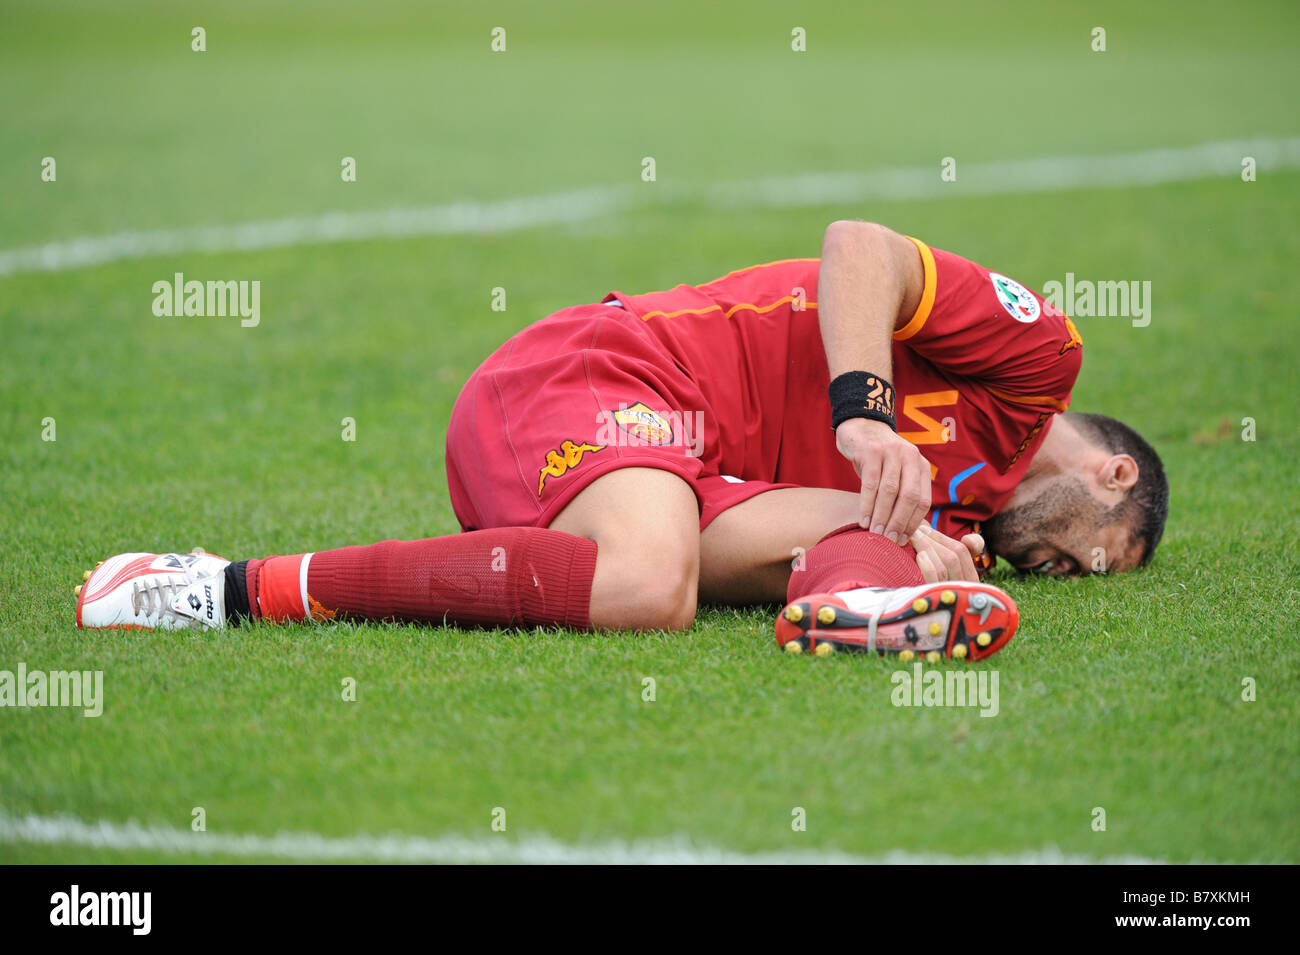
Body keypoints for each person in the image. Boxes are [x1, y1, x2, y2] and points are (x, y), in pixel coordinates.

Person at [75, 221, 1168, 661]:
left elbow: (817, 514)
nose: (1061, 571)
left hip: (679, 474)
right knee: (652, 584)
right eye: (1090, 553)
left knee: (878, 527)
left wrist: (916, 549)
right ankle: (223, 587)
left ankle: (865, 611)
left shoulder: (964, 516)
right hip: (598, 375)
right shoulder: (1039, 365)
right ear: (1111, 474)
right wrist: (863, 410)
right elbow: (858, 248)